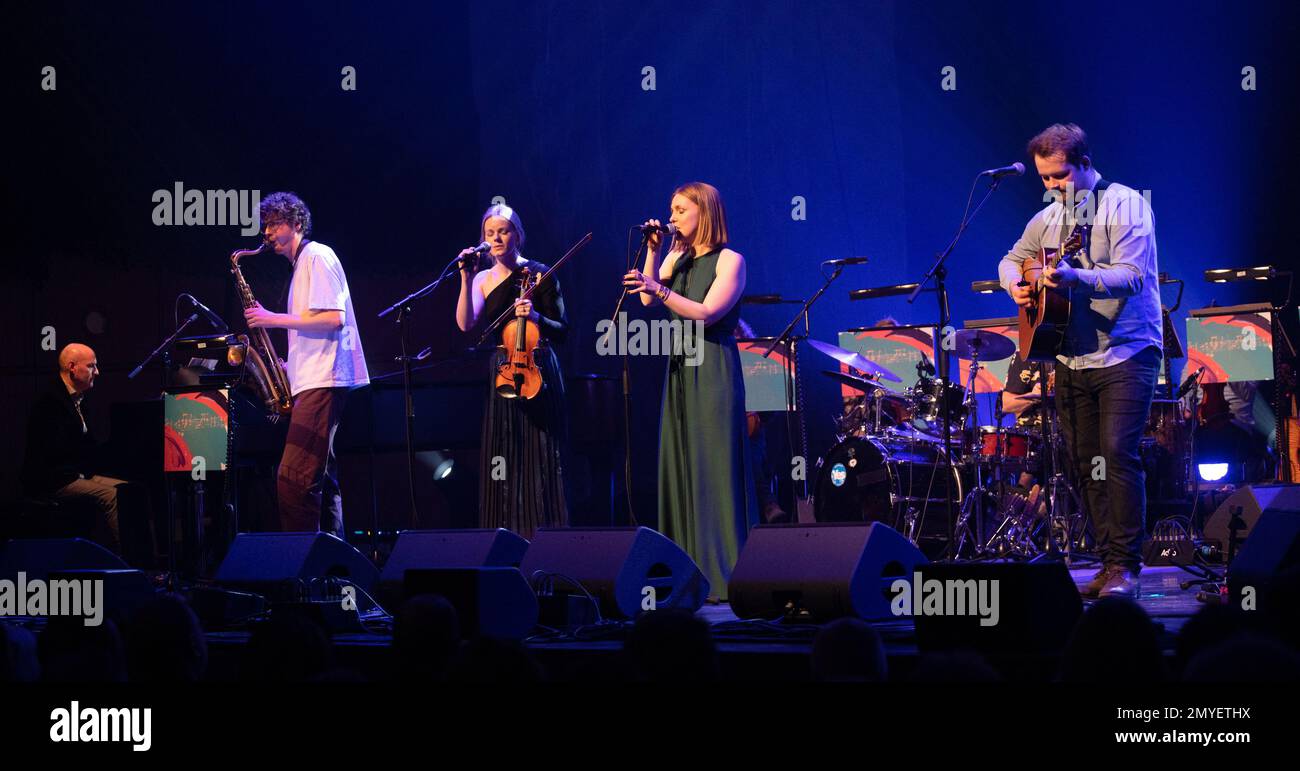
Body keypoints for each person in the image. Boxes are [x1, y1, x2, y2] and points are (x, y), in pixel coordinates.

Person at [999, 124, 1162, 599]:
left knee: (1116, 453)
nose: (1052, 186)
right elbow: (1011, 259)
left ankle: (1126, 565)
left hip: (1126, 350)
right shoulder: (1048, 218)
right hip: (1072, 358)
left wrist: (1076, 277)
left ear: (1086, 163)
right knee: (1085, 461)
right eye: (1044, 179)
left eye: (1060, 176)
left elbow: (1132, 277)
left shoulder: (1127, 205)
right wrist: (1016, 284)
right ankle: (1108, 561)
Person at [624, 181, 758, 601]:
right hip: (680, 368)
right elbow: (647, 299)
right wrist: (652, 249)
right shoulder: (677, 257)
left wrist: (660, 289)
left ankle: (728, 575)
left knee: (715, 468)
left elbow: (705, 313)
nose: (674, 216)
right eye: (672, 209)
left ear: (705, 212)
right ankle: (688, 573)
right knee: (681, 465)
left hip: (713, 367)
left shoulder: (730, 260)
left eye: (681, 209)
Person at [244, 192, 369, 535]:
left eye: (273, 224)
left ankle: (303, 562)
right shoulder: (303, 264)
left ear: (296, 224)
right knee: (321, 479)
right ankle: (334, 560)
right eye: (264, 225)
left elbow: (332, 319)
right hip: (312, 378)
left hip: (323, 380)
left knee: (293, 479)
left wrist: (272, 318)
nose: (266, 232)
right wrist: (291, 365)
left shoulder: (317, 255)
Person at [455, 204, 568, 536]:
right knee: (502, 456)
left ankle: (547, 539)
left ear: (517, 234)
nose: (496, 238)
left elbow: (562, 330)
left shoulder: (540, 274)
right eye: (490, 233)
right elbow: (465, 324)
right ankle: (504, 537)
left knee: (540, 455)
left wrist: (534, 317)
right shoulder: (481, 279)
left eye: (503, 231)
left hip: (538, 369)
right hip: (503, 370)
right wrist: (464, 277)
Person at [21, 343, 124, 553]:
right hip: (54, 480)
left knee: (128, 490)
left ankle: (141, 555)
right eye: (91, 366)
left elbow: (88, 447)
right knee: (111, 496)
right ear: (72, 367)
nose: (97, 372)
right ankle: (127, 561)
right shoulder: (49, 402)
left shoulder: (78, 400)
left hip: (75, 474)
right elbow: (51, 453)